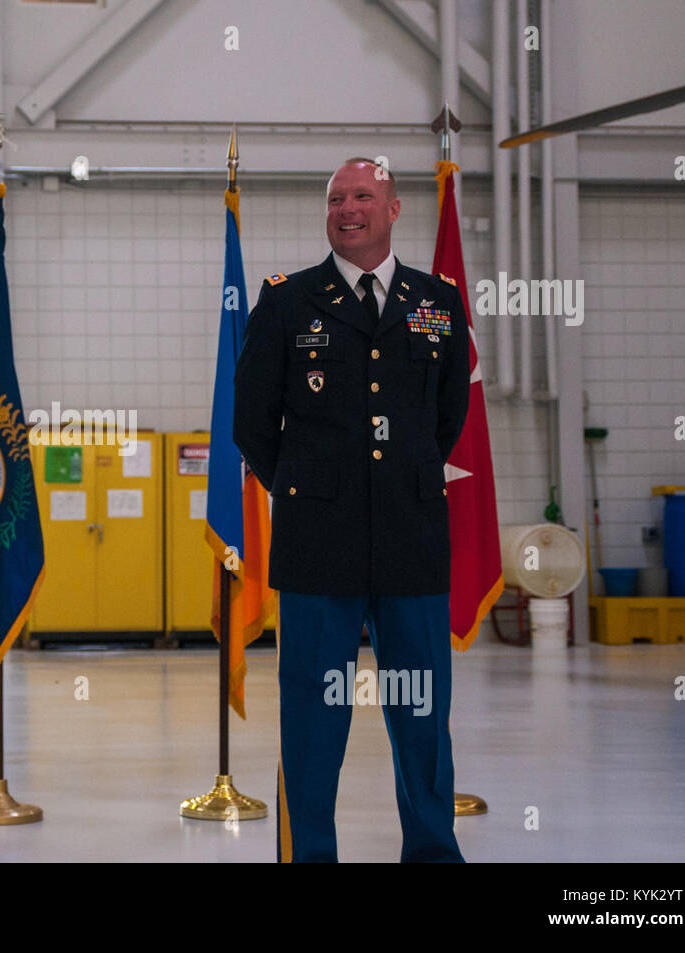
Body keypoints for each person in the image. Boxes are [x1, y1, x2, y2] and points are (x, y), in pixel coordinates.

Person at [234, 158, 469, 862]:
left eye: (363, 196)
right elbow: (252, 422)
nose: (347, 208)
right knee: (313, 717)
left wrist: (399, 477)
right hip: (318, 546)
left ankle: (432, 851)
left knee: (422, 716)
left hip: (412, 537)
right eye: (337, 198)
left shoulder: (438, 302)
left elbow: (447, 417)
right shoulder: (286, 301)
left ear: (394, 208)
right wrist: (309, 489)